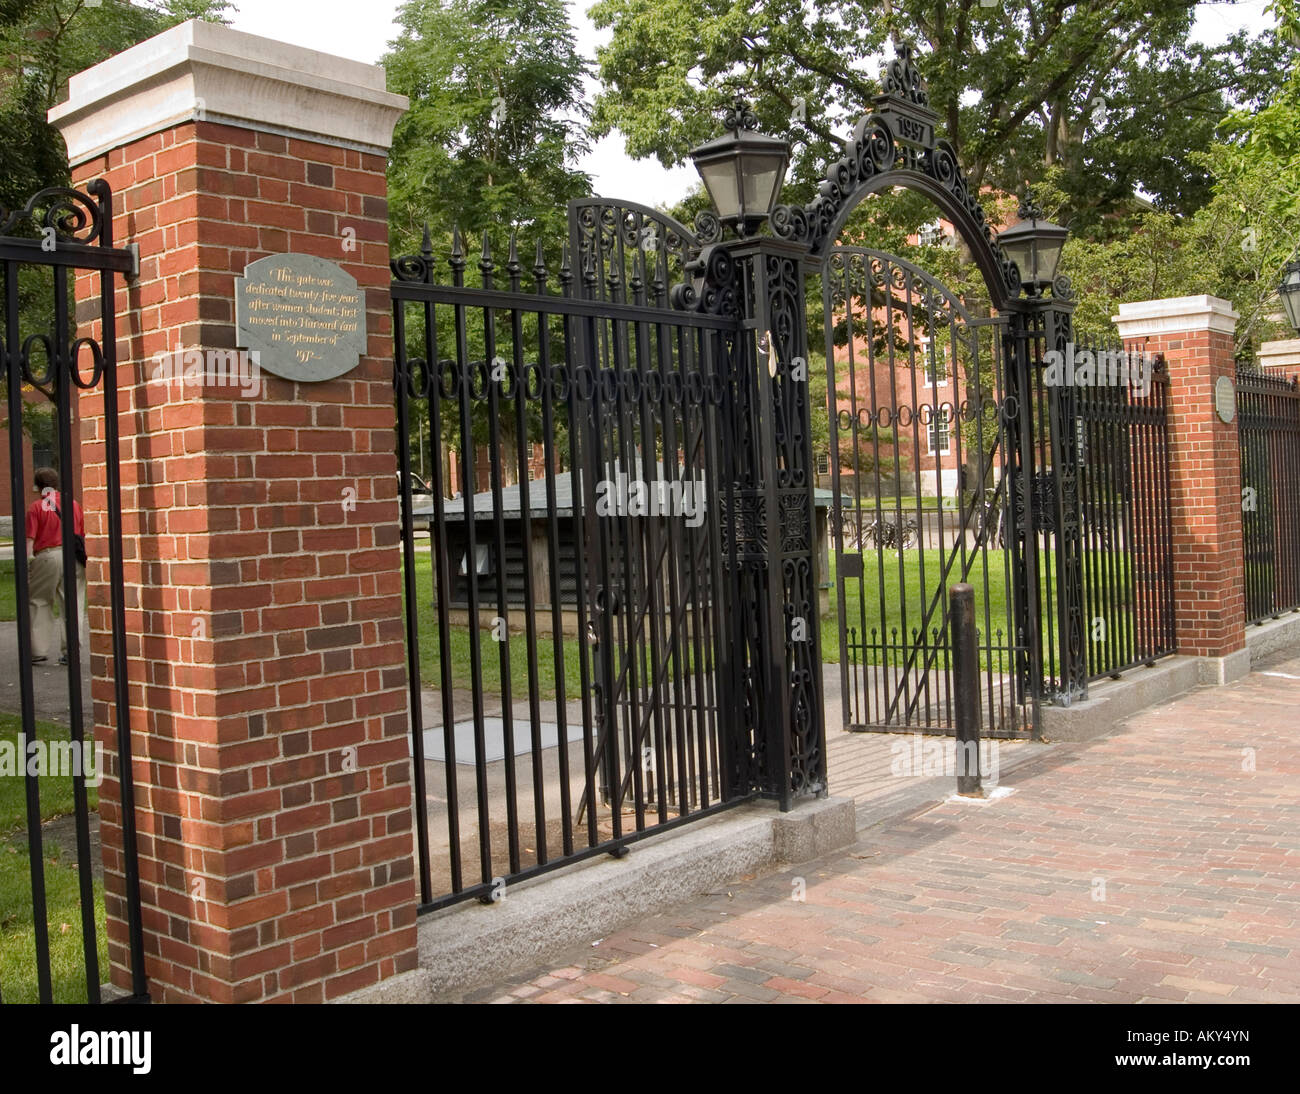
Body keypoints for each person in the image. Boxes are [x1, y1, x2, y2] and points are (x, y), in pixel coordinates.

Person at [23, 467, 86, 665]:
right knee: (73, 603)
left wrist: (26, 565)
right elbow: (82, 533)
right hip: (73, 557)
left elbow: (29, 540)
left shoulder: (36, 507)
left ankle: (37, 650)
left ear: (37, 486)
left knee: (39, 601)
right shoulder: (73, 504)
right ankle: (71, 649)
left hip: (48, 556)